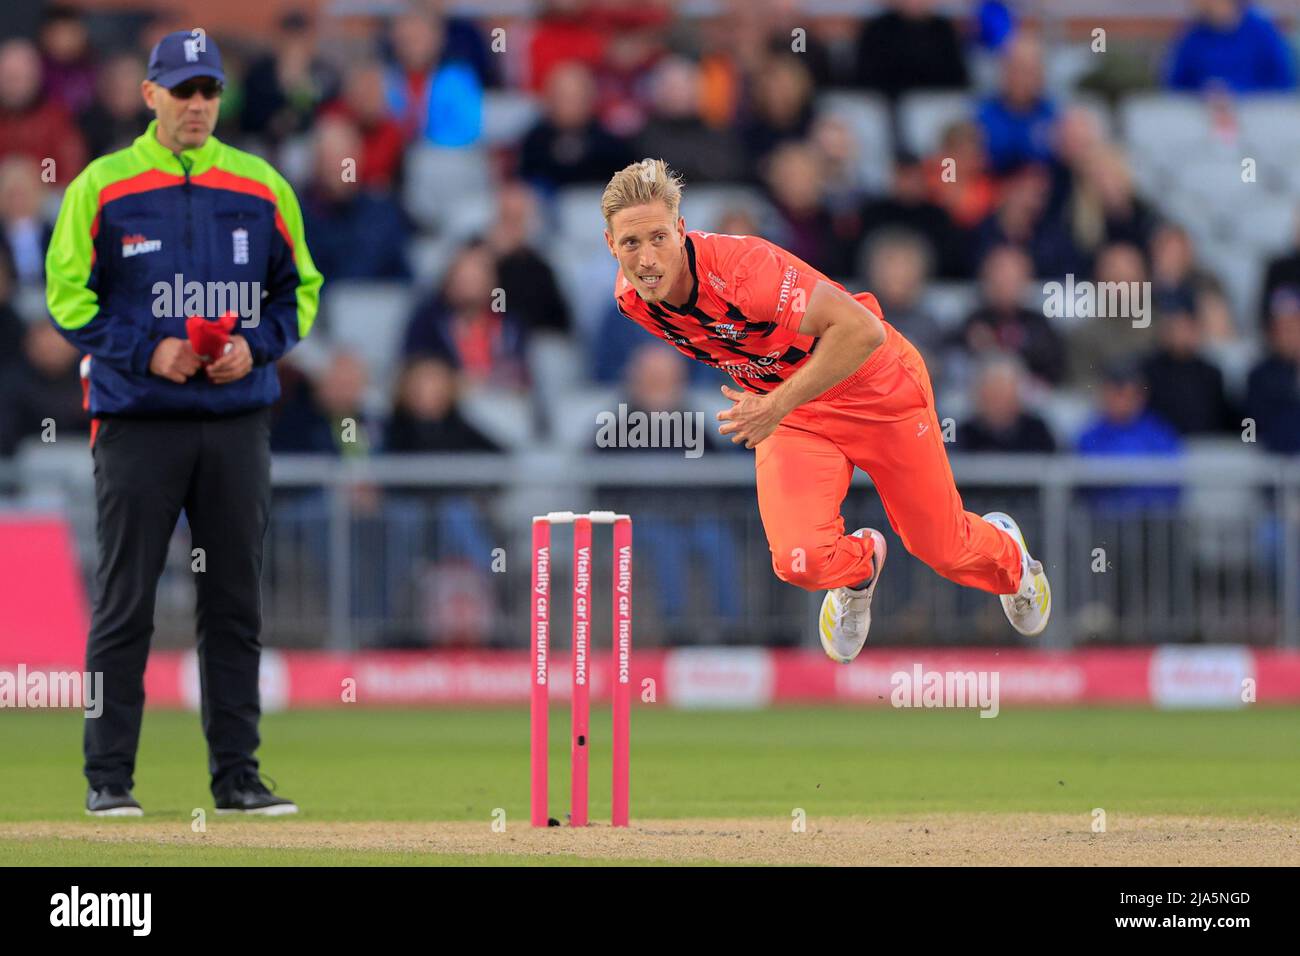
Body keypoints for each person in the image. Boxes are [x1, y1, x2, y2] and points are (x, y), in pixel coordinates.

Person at [601, 158, 1051, 666]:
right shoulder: (631, 300)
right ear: (610, 245)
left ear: (681, 230)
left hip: (872, 388)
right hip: (791, 412)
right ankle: (858, 572)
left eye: (659, 237)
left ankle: (1012, 558)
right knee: (799, 562)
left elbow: (863, 331)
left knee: (939, 546)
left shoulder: (745, 270)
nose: (647, 259)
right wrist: (775, 401)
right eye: (631, 244)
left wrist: (774, 403)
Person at [45, 32, 322, 817]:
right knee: (126, 599)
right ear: (149, 95)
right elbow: (67, 297)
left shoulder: (262, 184)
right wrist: (147, 350)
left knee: (234, 601)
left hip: (235, 420)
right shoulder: (101, 185)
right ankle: (109, 780)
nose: (196, 105)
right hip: (138, 421)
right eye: (182, 90)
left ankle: (238, 777)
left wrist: (254, 348)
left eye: (208, 91)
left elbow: (298, 291)